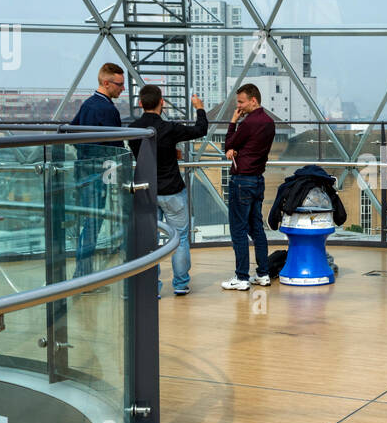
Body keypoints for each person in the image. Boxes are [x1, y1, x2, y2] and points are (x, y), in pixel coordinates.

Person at [128, 85, 208, 297]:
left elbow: (146, 153)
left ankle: (152, 288)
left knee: (149, 239)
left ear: (140, 103)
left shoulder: (133, 129)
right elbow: (200, 130)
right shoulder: (169, 128)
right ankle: (180, 284)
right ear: (161, 102)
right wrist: (199, 108)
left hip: (146, 191)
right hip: (172, 190)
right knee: (180, 238)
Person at [69, 62, 125, 277]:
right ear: (106, 82)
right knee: (93, 223)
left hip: (84, 171)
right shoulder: (106, 109)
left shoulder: (88, 104)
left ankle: (83, 273)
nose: (122, 89)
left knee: (89, 221)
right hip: (97, 174)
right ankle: (82, 276)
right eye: (119, 84)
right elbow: (116, 146)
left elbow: (71, 133)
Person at [222, 83, 276, 291]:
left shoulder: (248, 123)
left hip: (241, 180)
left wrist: (233, 122)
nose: (239, 106)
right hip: (257, 180)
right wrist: (238, 149)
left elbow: (229, 144)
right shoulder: (269, 122)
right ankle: (263, 274)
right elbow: (247, 146)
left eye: (241, 102)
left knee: (238, 229)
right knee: (256, 229)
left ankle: (241, 277)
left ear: (254, 100)